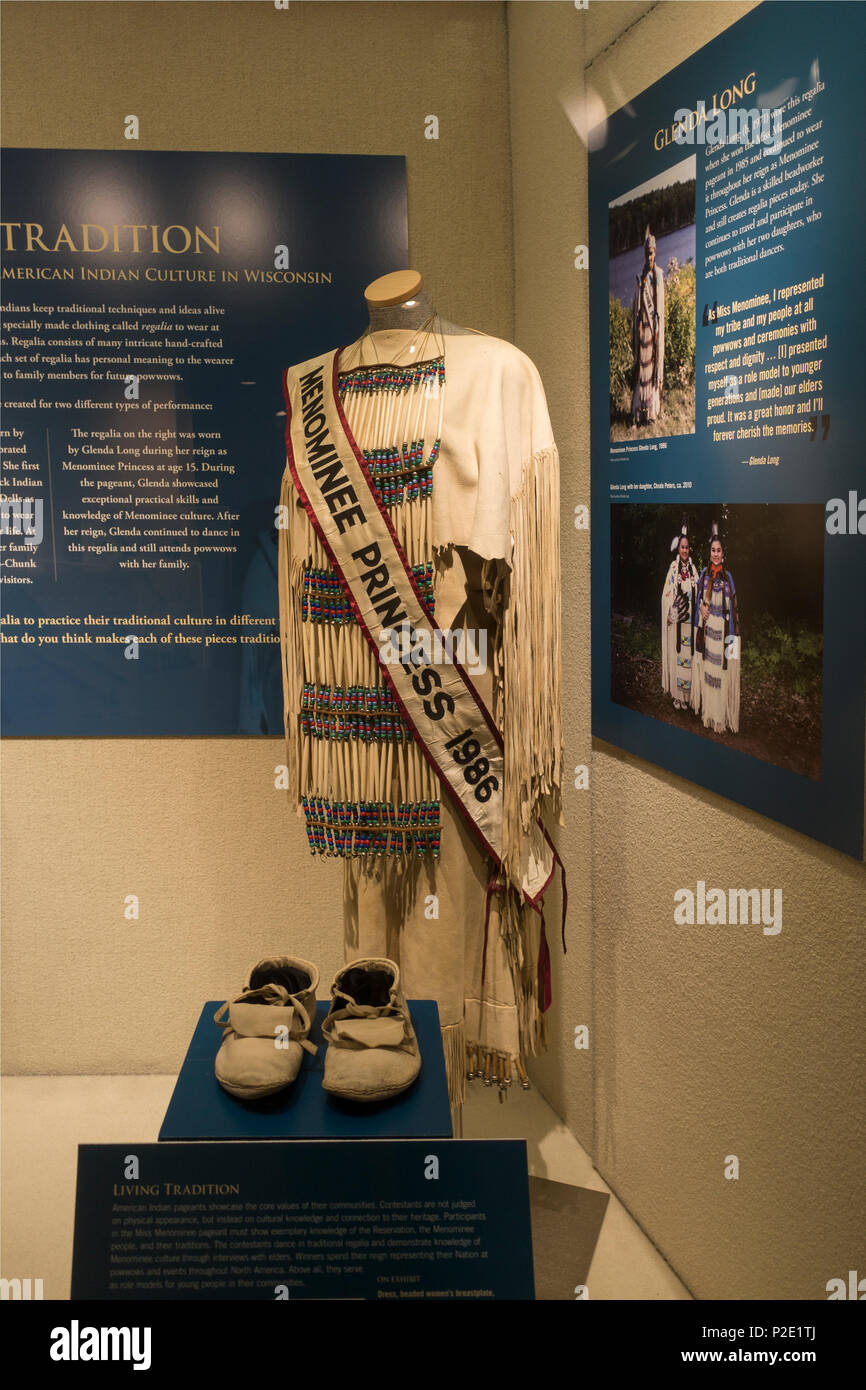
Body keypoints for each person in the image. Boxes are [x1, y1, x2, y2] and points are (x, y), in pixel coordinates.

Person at [691, 525, 740, 733]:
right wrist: (701, 607)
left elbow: (735, 614)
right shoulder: (704, 576)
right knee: (709, 674)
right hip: (709, 635)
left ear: (723, 553)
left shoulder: (728, 578)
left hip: (724, 637)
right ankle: (709, 714)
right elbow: (698, 603)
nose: (716, 554)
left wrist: (734, 645)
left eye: (719, 550)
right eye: (713, 550)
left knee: (722, 674)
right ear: (709, 553)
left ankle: (720, 717)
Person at [661, 518, 699, 710]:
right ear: (678, 549)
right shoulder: (673, 569)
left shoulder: (693, 570)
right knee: (678, 658)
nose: (684, 550)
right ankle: (677, 696)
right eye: (682, 547)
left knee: (688, 660)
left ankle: (686, 697)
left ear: (689, 549)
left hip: (690, 625)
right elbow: (666, 593)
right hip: (678, 623)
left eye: (687, 547)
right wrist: (670, 613)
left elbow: (699, 594)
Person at [632, 227, 665, 426]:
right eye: (646, 254)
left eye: (651, 253)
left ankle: (651, 414)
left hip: (653, 333)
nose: (649, 257)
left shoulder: (659, 275)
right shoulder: (641, 276)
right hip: (642, 331)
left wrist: (657, 329)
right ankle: (639, 413)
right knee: (640, 374)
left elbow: (659, 305)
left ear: (655, 252)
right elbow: (637, 303)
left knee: (651, 374)